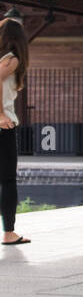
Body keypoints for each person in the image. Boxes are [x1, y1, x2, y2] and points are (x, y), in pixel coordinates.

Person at [0, 18, 30, 246]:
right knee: (8, 180)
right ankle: (9, 232)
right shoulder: (12, 59)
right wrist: (0, 114)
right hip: (4, 126)